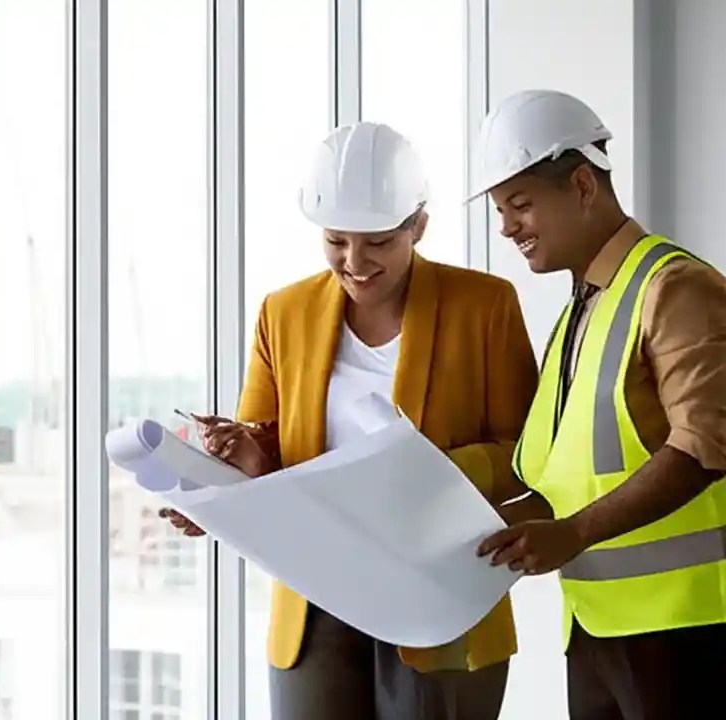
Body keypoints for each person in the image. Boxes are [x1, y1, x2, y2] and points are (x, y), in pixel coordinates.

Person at [161, 121, 539, 719]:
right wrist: (220, 487)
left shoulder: (485, 306)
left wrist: (424, 473)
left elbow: (529, 454)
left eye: (379, 242)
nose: (355, 262)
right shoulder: (283, 313)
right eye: (336, 241)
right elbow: (264, 453)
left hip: (440, 593)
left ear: (418, 226)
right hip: (316, 597)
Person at [471, 89, 726, 719]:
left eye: (521, 205)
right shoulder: (581, 310)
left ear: (583, 185)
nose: (506, 228)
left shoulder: (674, 287)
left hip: (687, 630)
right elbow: (566, 476)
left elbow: (706, 444)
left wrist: (574, 533)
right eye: (501, 210)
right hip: (595, 625)